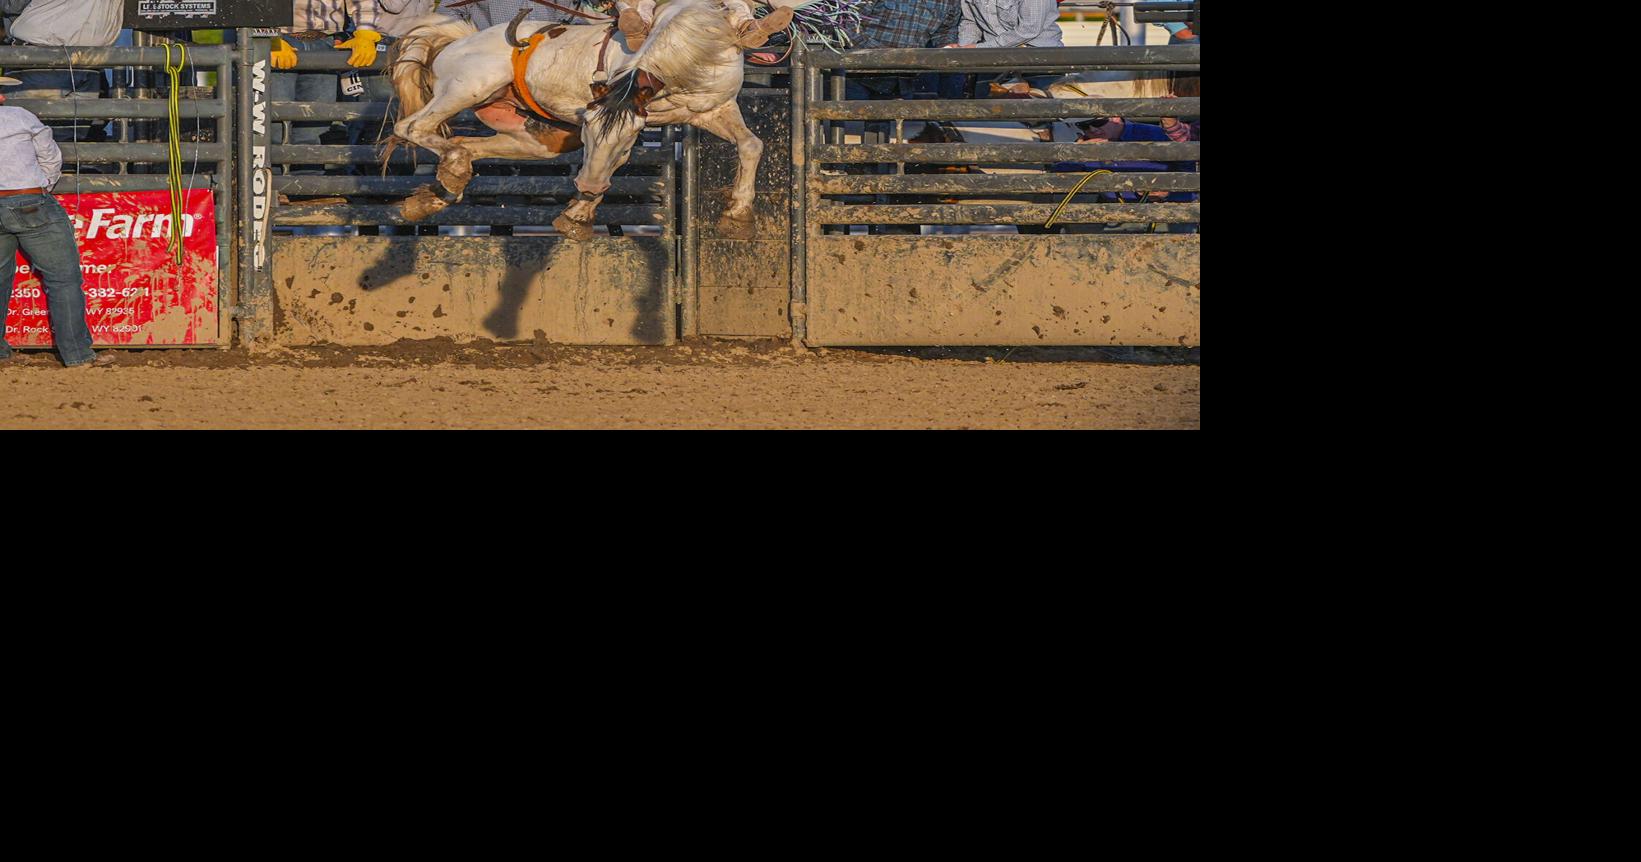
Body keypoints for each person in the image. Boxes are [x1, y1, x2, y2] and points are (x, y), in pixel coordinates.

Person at [0, 75, 110, 368]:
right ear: (1, 95)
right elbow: (50, 157)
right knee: (63, 278)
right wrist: (43, 185)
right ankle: (77, 353)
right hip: (28, 199)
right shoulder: (20, 116)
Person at [270, 1, 385, 169]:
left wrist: (365, 33)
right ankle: (271, 185)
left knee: (316, 122)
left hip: (325, 42)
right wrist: (268, 36)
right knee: (274, 120)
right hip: (280, 39)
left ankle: (308, 186)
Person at [0, 0, 122, 145]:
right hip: (87, 58)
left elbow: (13, 5)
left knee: (27, 136)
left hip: (44, 55)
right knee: (67, 141)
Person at [950, 0, 1063, 140]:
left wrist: (979, 49)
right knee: (986, 114)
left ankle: (1049, 153)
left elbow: (1029, 30)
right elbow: (970, 21)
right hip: (995, 59)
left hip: (1038, 60)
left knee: (1044, 116)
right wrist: (965, 49)